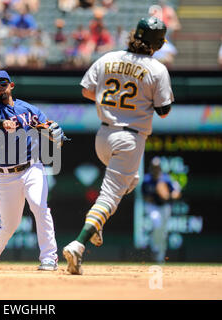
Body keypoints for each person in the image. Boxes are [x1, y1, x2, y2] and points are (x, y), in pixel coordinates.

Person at [63, 16, 174, 275]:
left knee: (130, 180)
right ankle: (78, 244)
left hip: (103, 137)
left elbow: (87, 90)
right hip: (129, 139)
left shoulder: (107, 58)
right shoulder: (157, 69)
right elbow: (164, 111)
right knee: (110, 197)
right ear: (157, 44)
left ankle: (97, 223)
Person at [0, 70, 67, 271]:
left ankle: (49, 257)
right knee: (9, 224)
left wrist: (54, 133)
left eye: (3, 83)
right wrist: (2, 122)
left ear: (11, 85)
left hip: (32, 166)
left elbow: (46, 126)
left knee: (39, 206)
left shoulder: (28, 108)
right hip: (7, 176)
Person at [142, 156, 181, 262]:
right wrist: (157, 194)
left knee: (163, 232)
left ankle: (160, 256)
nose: (156, 169)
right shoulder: (146, 179)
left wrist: (168, 196)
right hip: (153, 206)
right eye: (154, 167)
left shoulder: (166, 178)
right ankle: (155, 248)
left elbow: (177, 193)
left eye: (157, 167)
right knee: (156, 222)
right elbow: (145, 197)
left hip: (164, 206)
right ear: (151, 167)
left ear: (160, 168)